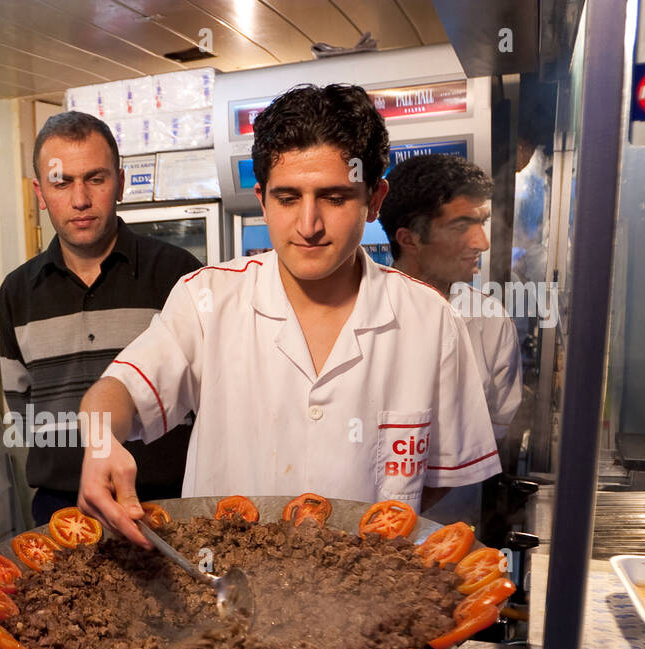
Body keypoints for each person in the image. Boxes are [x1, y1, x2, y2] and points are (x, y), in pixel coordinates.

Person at [77, 84, 499, 547]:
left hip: (363, 582)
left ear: (375, 199)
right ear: (262, 199)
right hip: (223, 578)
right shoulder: (207, 300)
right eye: (287, 198)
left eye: (335, 198)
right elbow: (116, 391)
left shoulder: (430, 320)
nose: (308, 225)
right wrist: (100, 443)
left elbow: (441, 475)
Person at [0, 111, 199, 525]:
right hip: (61, 512)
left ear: (120, 183)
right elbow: (22, 410)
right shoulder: (16, 292)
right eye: (61, 182)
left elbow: (204, 397)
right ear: (40, 192)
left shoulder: (180, 275)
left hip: (167, 505)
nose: (80, 200)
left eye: (95, 179)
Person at [378, 153, 523, 443]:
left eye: (482, 223)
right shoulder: (357, 311)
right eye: (460, 227)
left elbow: (496, 425)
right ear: (408, 239)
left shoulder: (490, 320)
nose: (482, 243)